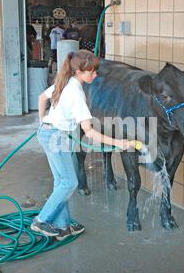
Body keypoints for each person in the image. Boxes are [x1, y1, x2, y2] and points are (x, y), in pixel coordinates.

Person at [32, 50, 136, 241]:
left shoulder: (65, 81)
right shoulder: (76, 93)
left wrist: (43, 122)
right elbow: (89, 132)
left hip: (47, 133)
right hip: (56, 137)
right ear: (79, 72)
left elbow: (41, 98)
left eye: (95, 71)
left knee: (61, 182)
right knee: (69, 182)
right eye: (91, 72)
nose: (95, 75)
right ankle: (41, 220)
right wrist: (119, 142)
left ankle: (63, 226)